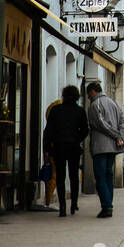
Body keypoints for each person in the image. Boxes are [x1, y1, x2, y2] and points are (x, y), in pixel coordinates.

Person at [43, 85, 89, 217]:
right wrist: (77, 139)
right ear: (76, 96)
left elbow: (48, 131)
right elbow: (85, 130)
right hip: (73, 147)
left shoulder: (56, 110)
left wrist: (47, 148)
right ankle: (74, 204)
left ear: (63, 95)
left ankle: (62, 206)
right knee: (74, 176)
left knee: (60, 177)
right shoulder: (80, 111)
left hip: (58, 147)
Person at [86, 82, 124, 218]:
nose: (88, 97)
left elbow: (101, 124)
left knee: (101, 176)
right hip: (113, 147)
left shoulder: (94, 105)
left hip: (101, 146)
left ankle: (107, 206)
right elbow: (123, 121)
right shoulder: (113, 103)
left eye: (88, 94)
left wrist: (116, 136)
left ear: (92, 91)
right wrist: (120, 137)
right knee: (109, 175)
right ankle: (109, 203)